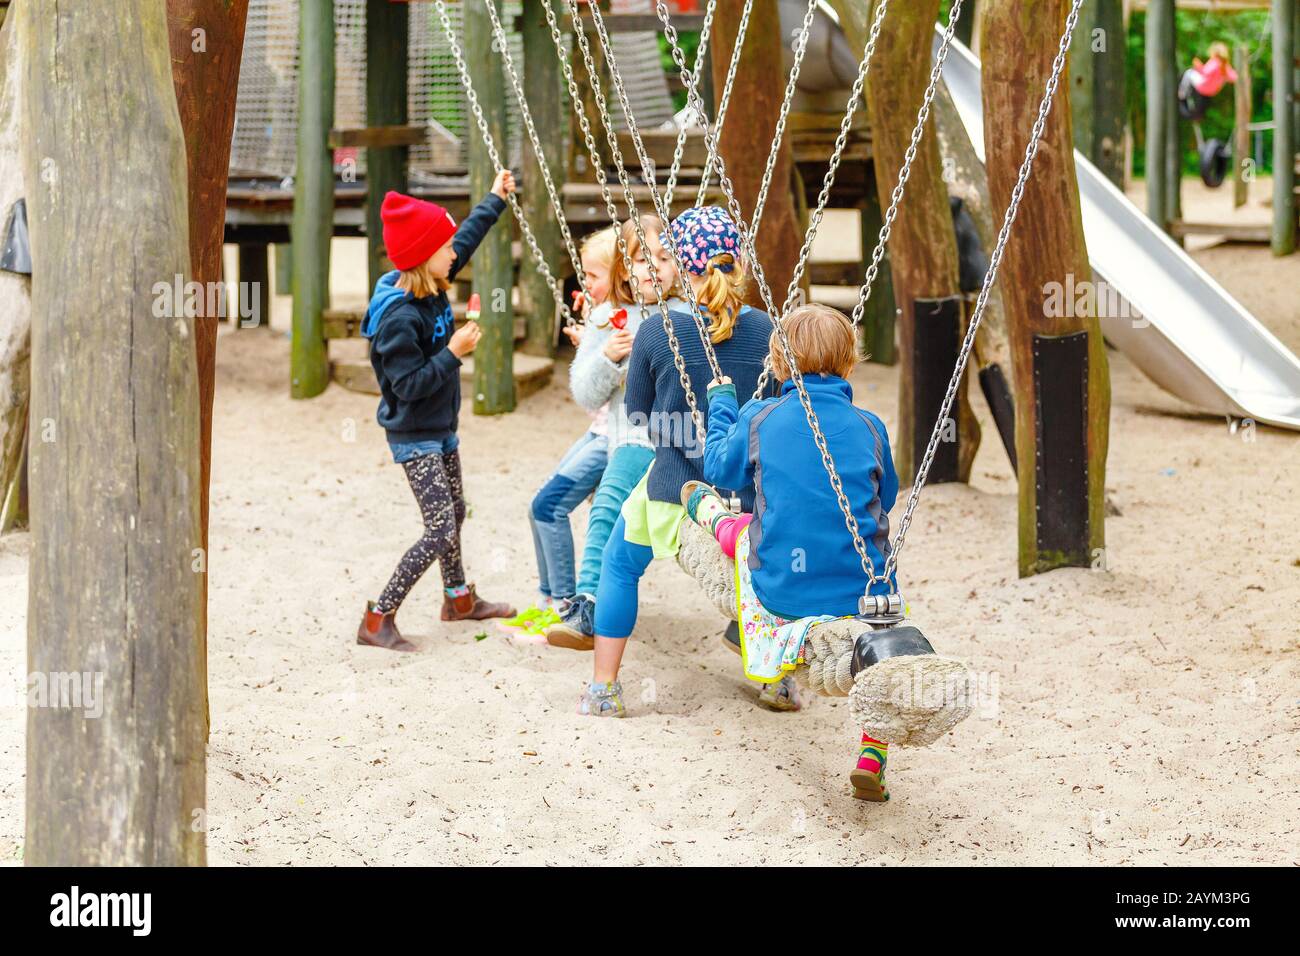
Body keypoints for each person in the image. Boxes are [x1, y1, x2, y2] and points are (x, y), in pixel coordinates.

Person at [684, 303, 900, 801]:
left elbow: (720, 466)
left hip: (781, 587)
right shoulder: (870, 426)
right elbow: (884, 500)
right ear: (850, 363)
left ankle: (712, 518)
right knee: (885, 654)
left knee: (743, 528)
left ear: (779, 363)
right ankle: (873, 753)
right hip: (863, 592)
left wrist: (721, 405)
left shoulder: (761, 416)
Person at [573, 206, 779, 718]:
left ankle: (604, 689)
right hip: (746, 494)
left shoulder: (656, 330)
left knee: (620, 567)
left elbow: (639, 414)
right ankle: (780, 684)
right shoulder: (768, 330)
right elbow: (773, 408)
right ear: (739, 261)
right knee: (766, 576)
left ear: (682, 268)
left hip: (674, 485)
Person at [355, 173, 518, 652]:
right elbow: (406, 387)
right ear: (425, 257)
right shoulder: (400, 317)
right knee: (440, 526)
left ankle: (458, 599)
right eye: (445, 248)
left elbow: (464, 238)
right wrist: (453, 352)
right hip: (413, 433)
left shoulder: (433, 275)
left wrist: (495, 198)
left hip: (442, 428)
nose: (455, 254)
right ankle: (376, 617)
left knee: (457, 512)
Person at [544, 215, 684, 648]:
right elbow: (585, 395)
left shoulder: (685, 314)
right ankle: (586, 604)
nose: (653, 268)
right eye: (643, 259)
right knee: (606, 506)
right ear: (625, 267)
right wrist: (607, 357)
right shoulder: (608, 318)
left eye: (665, 257)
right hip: (635, 439)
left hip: (682, 440)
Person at [512, 227, 621, 633]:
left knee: (548, 507)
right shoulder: (607, 317)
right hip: (598, 431)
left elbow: (608, 380)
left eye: (593, 276)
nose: (585, 283)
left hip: (613, 436)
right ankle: (548, 597)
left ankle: (563, 603)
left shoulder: (624, 323)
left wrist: (599, 347)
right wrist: (589, 341)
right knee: (537, 507)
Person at [1178, 42, 1238, 121]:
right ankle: (1197, 114)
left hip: (1203, 87)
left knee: (1189, 73)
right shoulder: (1226, 66)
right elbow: (1234, 78)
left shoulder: (1215, 62)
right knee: (1201, 109)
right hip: (1212, 91)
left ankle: (1182, 94)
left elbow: (1205, 72)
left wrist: (1198, 66)